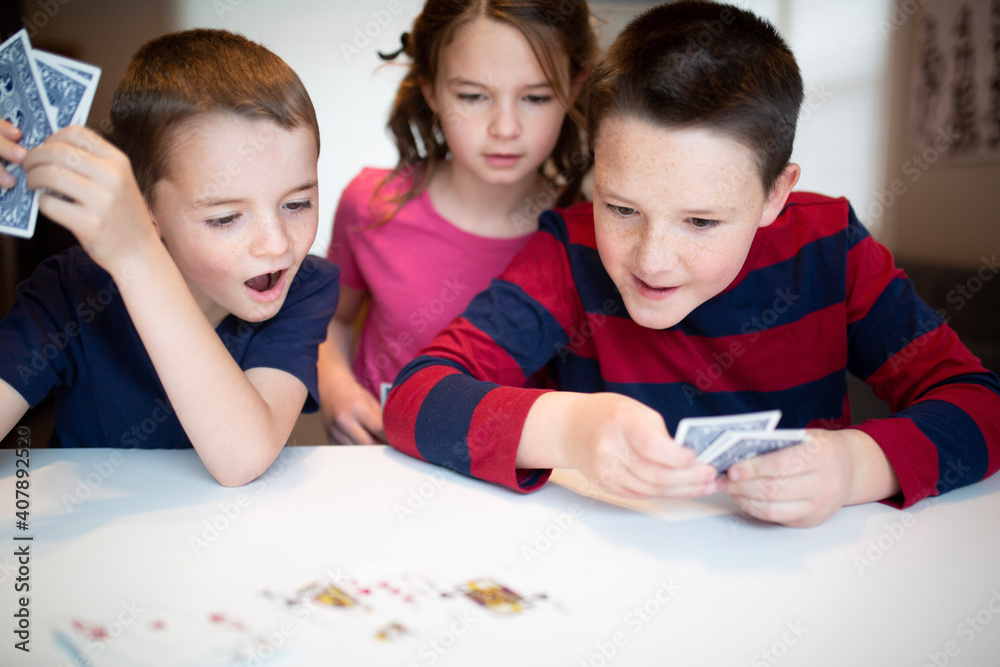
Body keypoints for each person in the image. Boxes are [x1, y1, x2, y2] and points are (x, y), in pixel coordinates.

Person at [383, 1, 1000, 527]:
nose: (651, 260)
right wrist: (569, 428)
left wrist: (857, 466)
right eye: (621, 208)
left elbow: (979, 403)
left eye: (701, 222)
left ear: (774, 195)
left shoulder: (830, 246)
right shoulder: (568, 252)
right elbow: (413, 398)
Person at [0, 30, 339, 486]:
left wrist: (139, 255)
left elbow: (242, 456)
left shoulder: (305, 288)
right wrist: (134, 252)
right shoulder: (68, 290)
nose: (277, 245)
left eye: (297, 204)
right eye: (224, 218)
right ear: (146, 209)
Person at [317, 0, 598, 444]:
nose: (505, 127)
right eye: (473, 96)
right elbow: (329, 320)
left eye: (536, 97)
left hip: (519, 490)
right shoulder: (370, 205)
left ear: (575, 87)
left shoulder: (587, 234)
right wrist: (335, 388)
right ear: (430, 90)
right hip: (379, 469)